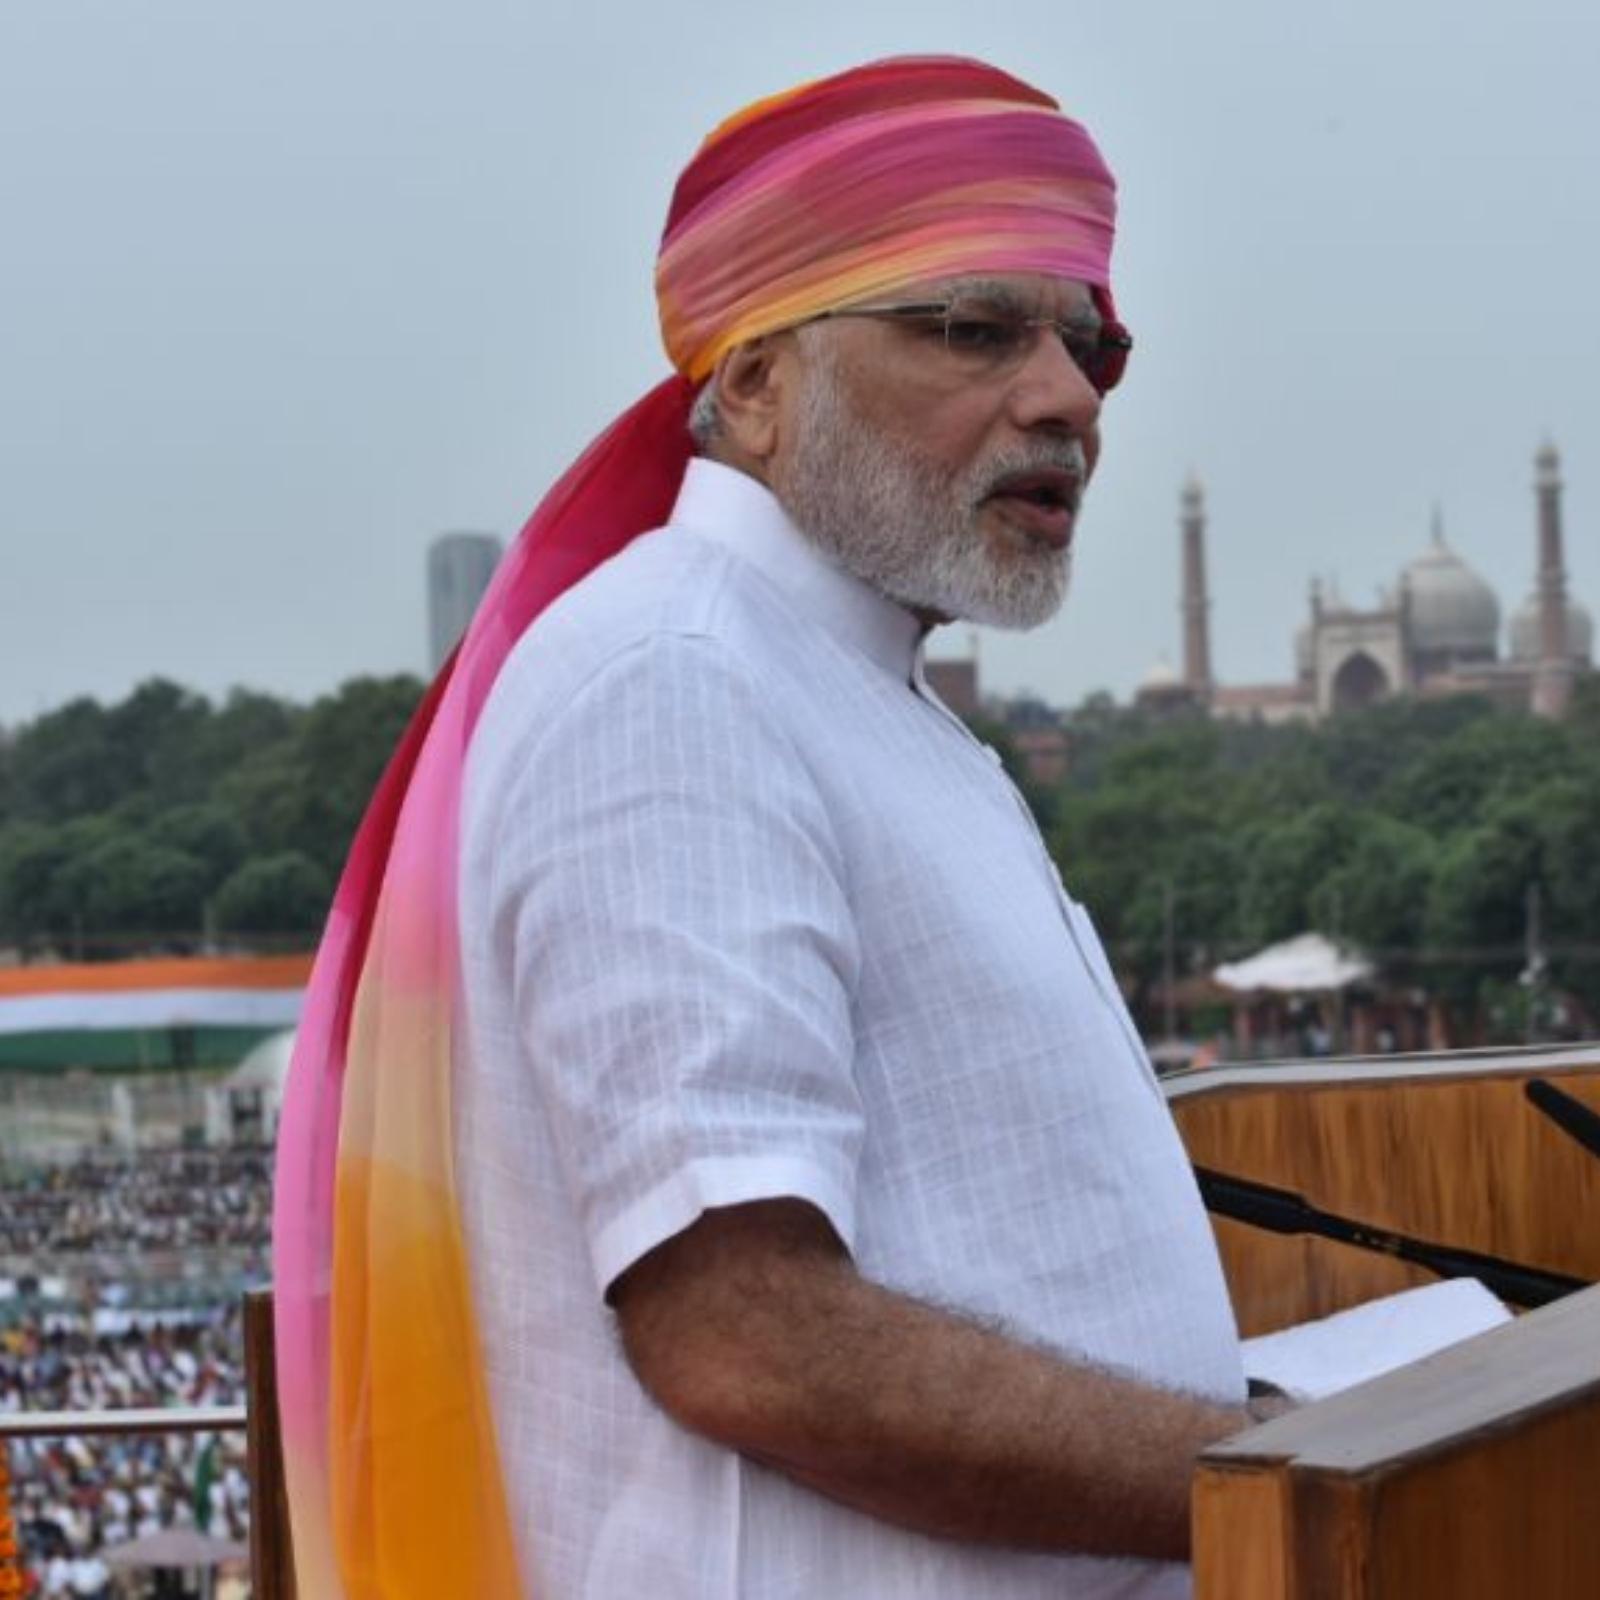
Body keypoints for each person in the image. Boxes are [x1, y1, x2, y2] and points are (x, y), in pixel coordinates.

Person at [274, 54, 1251, 1599]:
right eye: (973, 328)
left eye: (1091, 344)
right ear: (752, 383)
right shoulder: (677, 681)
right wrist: (1276, 1483)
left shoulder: (854, 690)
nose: (1065, 396)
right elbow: (750, 1336)